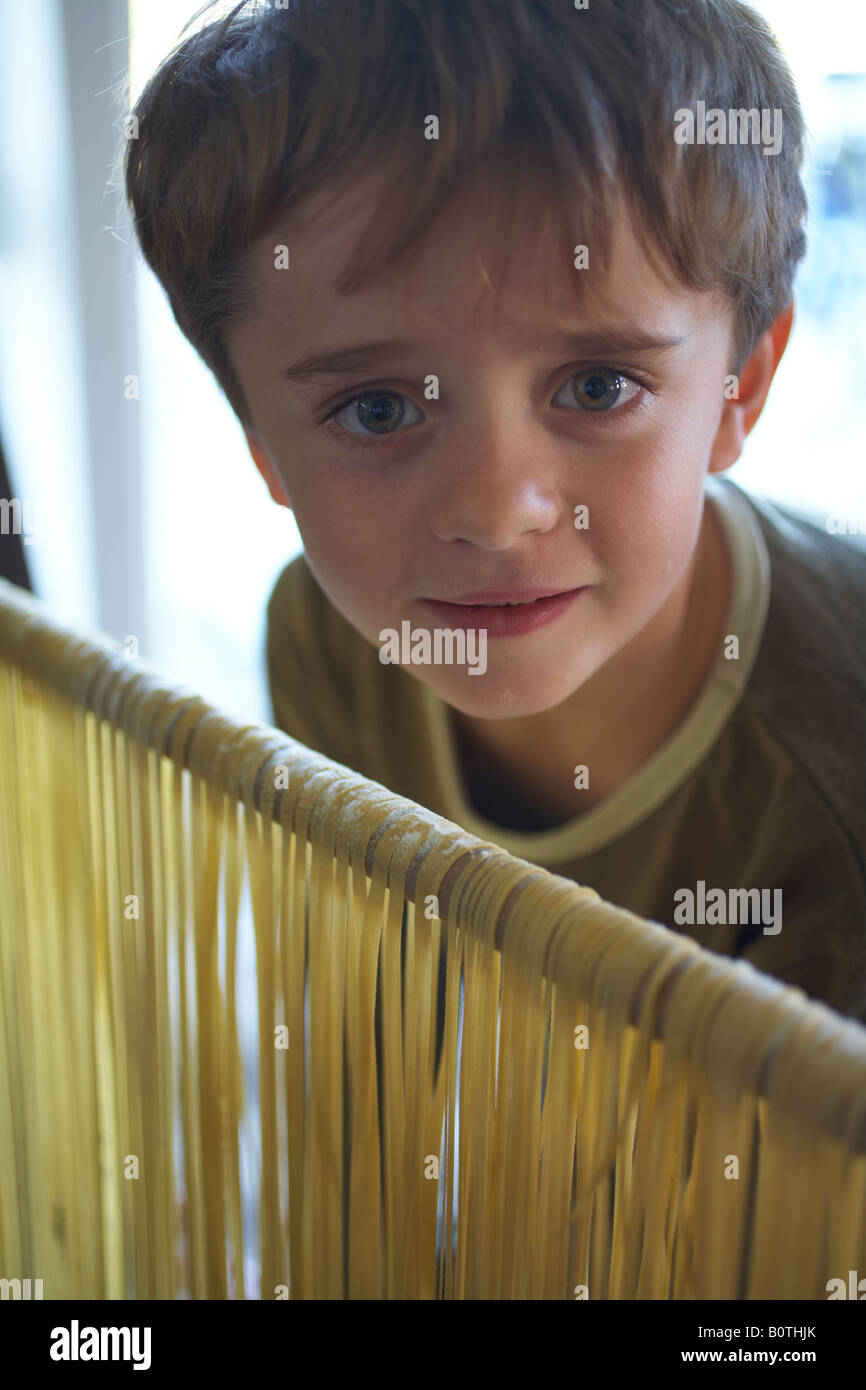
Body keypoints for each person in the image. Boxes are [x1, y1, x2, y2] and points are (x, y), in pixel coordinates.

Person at [124, 0, 866, 1026]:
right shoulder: (329, 645)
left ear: (738, 389)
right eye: (375, 408)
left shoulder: (839, 771)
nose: (495, 512)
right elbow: (368, 1061)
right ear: (264, 446)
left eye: (597, 387)